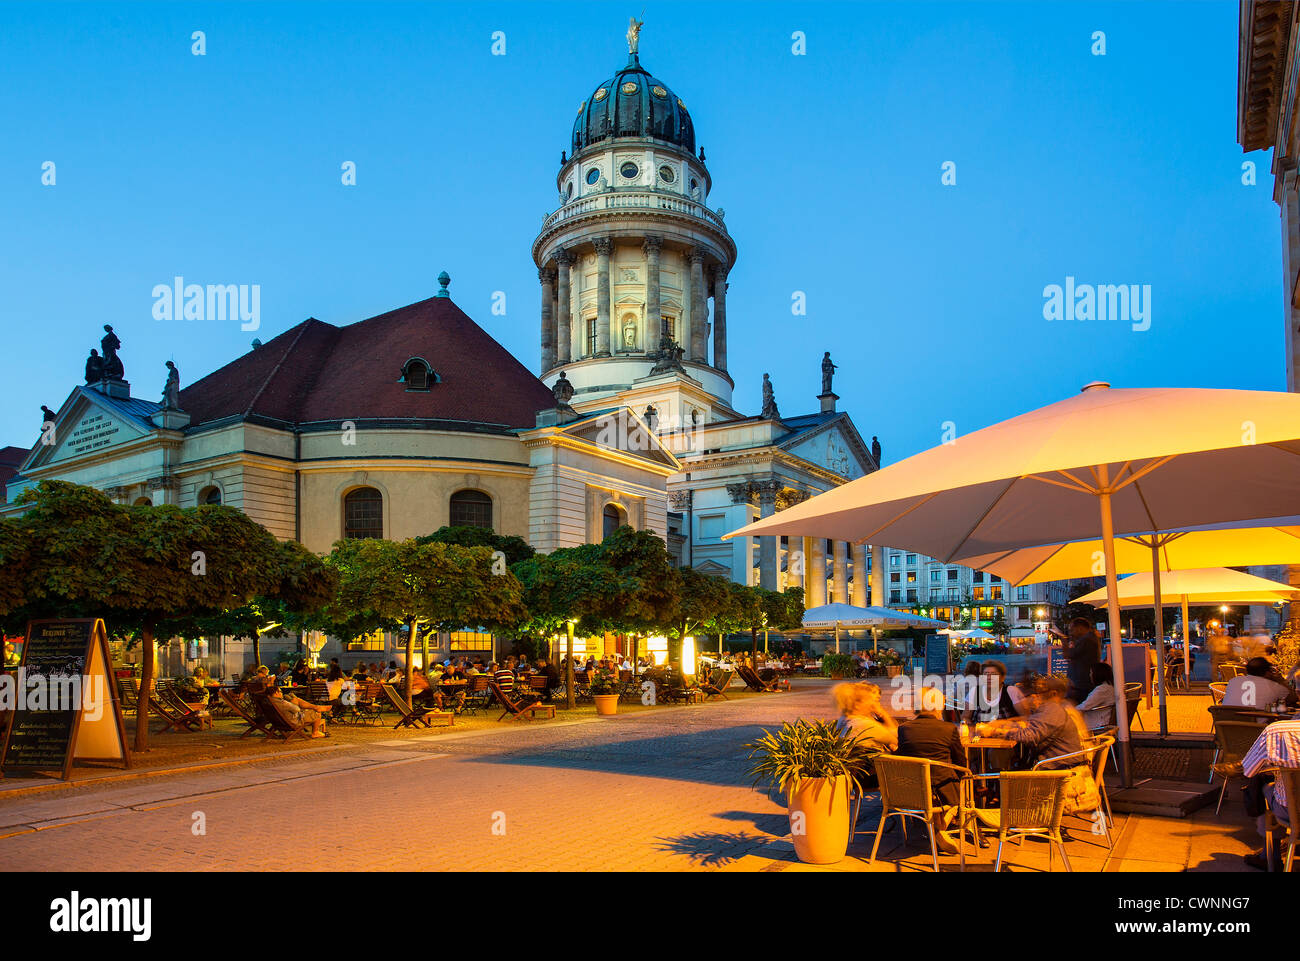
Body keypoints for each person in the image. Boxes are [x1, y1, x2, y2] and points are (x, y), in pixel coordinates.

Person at [982, 675, 1098, 815]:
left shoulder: (1052, 710)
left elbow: (1029, 736)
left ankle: (1008, 819)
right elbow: (1032, 727)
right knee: (1013, 766)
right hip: (1064, 767)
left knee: (1005, 776)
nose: (1031, 698)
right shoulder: (1059, 708)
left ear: (1052, 694)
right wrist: (1007, 726)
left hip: (1060, 775)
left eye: (1036, 694)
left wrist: (995, 731)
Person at [895, 686, 966, 853]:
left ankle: (935, 828)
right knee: (963, 785)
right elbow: (961, 762)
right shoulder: (948, 729)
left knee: (933, 784)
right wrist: (964, 776)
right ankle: (940, 830)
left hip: (912, 787)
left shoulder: (904, 728)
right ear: (938, 706)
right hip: (943, 787)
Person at [1240, 716, 1300, 870]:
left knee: (1264, 787)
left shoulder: (1277, 730)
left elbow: (1249, 770)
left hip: (1291, 811)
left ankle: (1269, 856)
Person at [832, 682, 898, 754]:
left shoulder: (843, 719)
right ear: (857, 704)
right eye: (870, 700)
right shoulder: (865, 725)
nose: (874, 704)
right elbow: (896, 738)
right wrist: (883, 713)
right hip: (874, 763)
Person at [1223, 656, 1298, 710]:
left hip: (1225, 727)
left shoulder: (1233, 681)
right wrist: (1280, 679)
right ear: (1267, 672)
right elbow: (1294, 698)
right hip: (1257, 729)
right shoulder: (1275, 687)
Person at [1062, 617, 1102, 703]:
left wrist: (1064, 642)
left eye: (1072, 630)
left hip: (1081, 685)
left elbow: (1068, 654)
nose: (1070, 633)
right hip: (1082, 684)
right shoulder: (1090, 638)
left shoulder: (1086, 640)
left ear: (1080, 628)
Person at [1075, 662, 1117, 729]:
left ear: (1098, 674)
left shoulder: (1102, 689)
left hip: (1096, 724)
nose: (1090, 675)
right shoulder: (1110, 687)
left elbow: (1086, 706)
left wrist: (1069, 710)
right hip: (1103, 720)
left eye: (1091, 673)